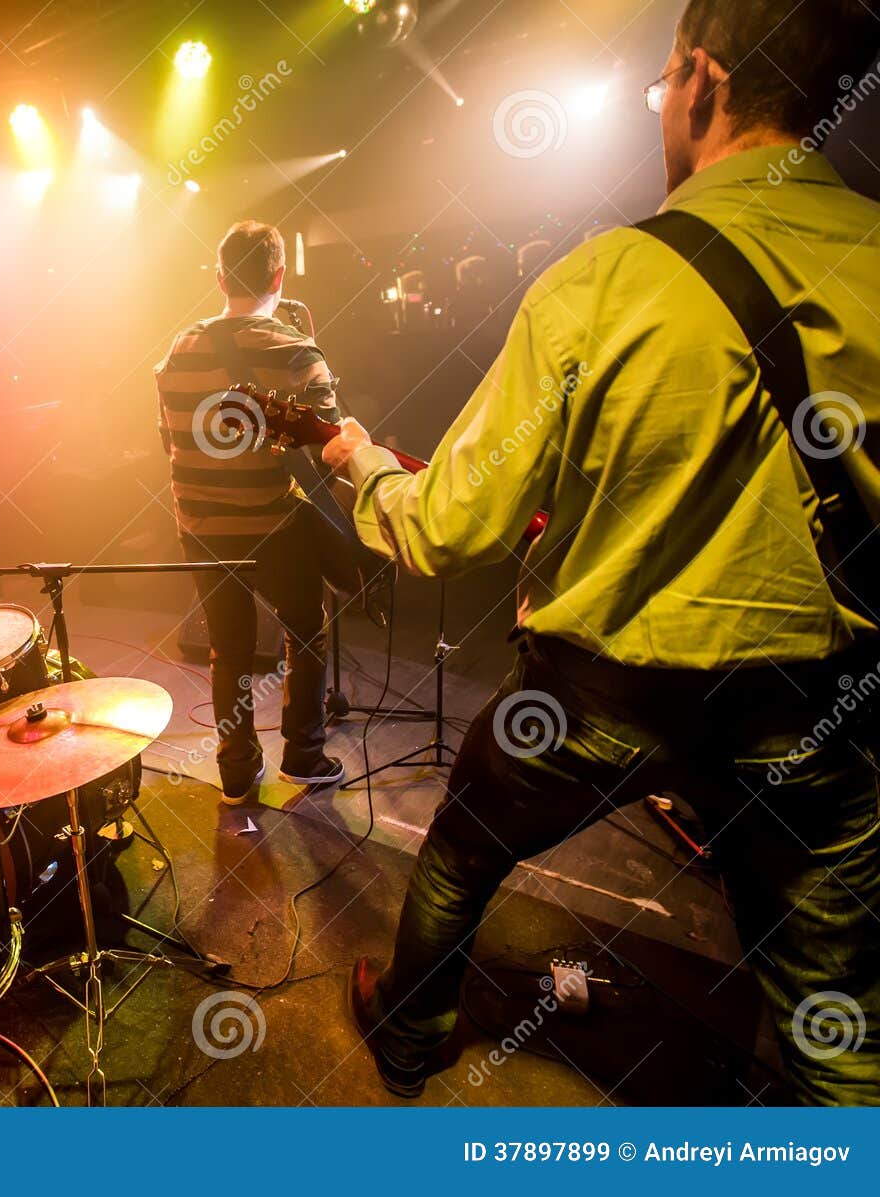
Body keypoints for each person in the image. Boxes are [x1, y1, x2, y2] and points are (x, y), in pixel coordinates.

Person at [322, 0, 880, 1104]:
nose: (660, 106)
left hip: (599, 691)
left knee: (462, 852)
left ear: (703, 78)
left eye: (662, 84)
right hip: (809, 702)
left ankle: (410, 1034)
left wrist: (361, 467)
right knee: (837, 1023)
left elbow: (451, 526)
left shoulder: (604, 279)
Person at [156, 220, 378, 804]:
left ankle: (236, 769)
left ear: (219, 277)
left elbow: (168, 436)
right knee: (304, 630)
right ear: (279, 276)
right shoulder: (295, 349)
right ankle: (303, 754)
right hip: (270, 523)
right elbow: (332, 451)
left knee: (227, 647)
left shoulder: (180, 347)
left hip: (198, 523)